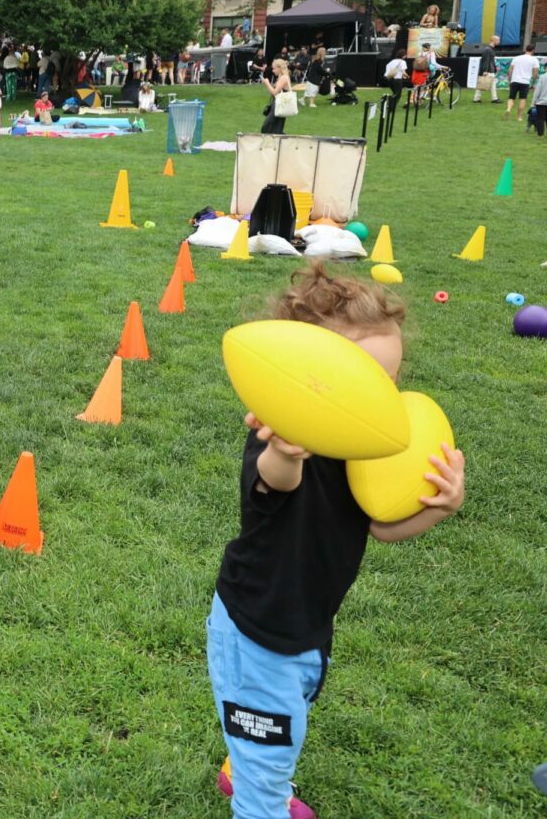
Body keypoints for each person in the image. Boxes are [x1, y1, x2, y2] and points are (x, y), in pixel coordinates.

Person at [208, 263, 465, 819]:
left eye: (392, 383)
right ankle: (259, 793)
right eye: (371, 384)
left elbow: (381, 526)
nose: (387, 399)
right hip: (259, 634)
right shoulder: (278, 437)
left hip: (305, 628)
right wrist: (286, 448)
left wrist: (441, 509)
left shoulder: (367, 451)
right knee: (270, 753)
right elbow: (276, 480)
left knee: (287, 719)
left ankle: (246, 765)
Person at [505, 45, 540, 123]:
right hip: (525, 82)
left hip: (515, 80)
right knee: (522, 99)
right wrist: (533, 83)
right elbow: (535, 73)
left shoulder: (516, 58)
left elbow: (510, 70)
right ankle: (519, 117)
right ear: (533, 50)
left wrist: (510, 80)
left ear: (525, 49)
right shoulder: (534, 60)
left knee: (511, 98)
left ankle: (508, 109)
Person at [260, 58, 292, 134]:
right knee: (274, 127)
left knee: (268, 127)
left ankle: (282, 140)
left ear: (279, 68)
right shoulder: (282, 77)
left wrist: (267, 83)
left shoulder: (284, 78)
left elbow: (274, 93)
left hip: (279, 105)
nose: (273, 71)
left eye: (274, 68)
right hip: (278, 104)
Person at [474, 34, 501, 104]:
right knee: (482, 85)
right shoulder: (488, 49)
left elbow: (490, 60)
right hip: (488, 71)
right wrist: (485, 71)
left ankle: (493, 98)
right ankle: (478, 98)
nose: (499, 41)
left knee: (489, 84)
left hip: (490, 70)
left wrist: (494, 68)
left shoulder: (490, 49)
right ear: (493, 40)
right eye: (498, 40)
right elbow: (486, 60)